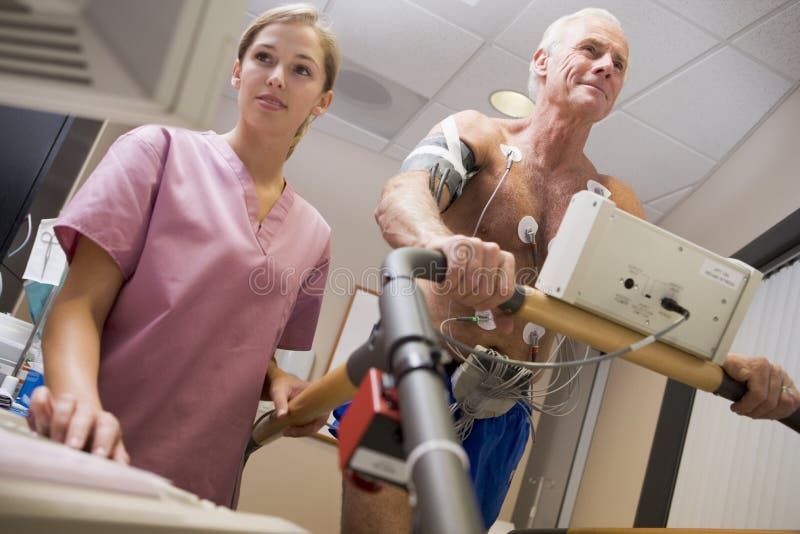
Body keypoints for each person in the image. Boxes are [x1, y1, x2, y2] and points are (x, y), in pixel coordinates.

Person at [342, 7, 800, 533]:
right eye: (591, 50)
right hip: (411, 372)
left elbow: (647, 321)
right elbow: (403, 195)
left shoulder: (615, 200)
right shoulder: (478, 135)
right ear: (543, 61)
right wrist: (443, 245)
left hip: (504, 410)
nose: (607, 67)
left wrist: (730, 363)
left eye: (619, 64)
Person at [27, 3, 339, 508]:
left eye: (301, 69)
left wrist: (279, 378)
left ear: (322, 102)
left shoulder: (315, 235)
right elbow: (79, 304)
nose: (277, 77)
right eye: (264, 58)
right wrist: (79, 406)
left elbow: (240, 342)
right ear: (237, 72)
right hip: (97, 447)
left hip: (203, 482)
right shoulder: (156, 152)